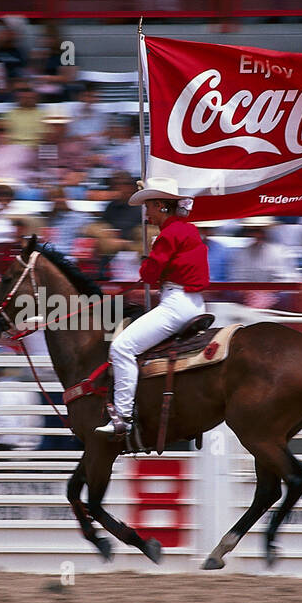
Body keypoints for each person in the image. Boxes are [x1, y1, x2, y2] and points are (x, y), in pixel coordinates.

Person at [98, 176, 209, 436]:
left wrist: (149, 253)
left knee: (122, 347)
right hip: (193, 302)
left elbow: (148, 276)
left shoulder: (168, 234)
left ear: (160, 205)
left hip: (175, 304)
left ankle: (123, 416)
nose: (145, 212)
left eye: (148, 206)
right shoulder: (187, 229)